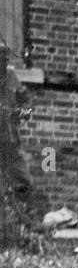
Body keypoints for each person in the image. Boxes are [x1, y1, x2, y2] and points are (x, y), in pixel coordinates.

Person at [0, 43, 33, 205]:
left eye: (4, 59)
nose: (3, 63)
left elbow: (26, 100)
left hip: (10, 140)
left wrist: (24, 111)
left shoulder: (11, 76)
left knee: (24, 182)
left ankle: (22, 221)